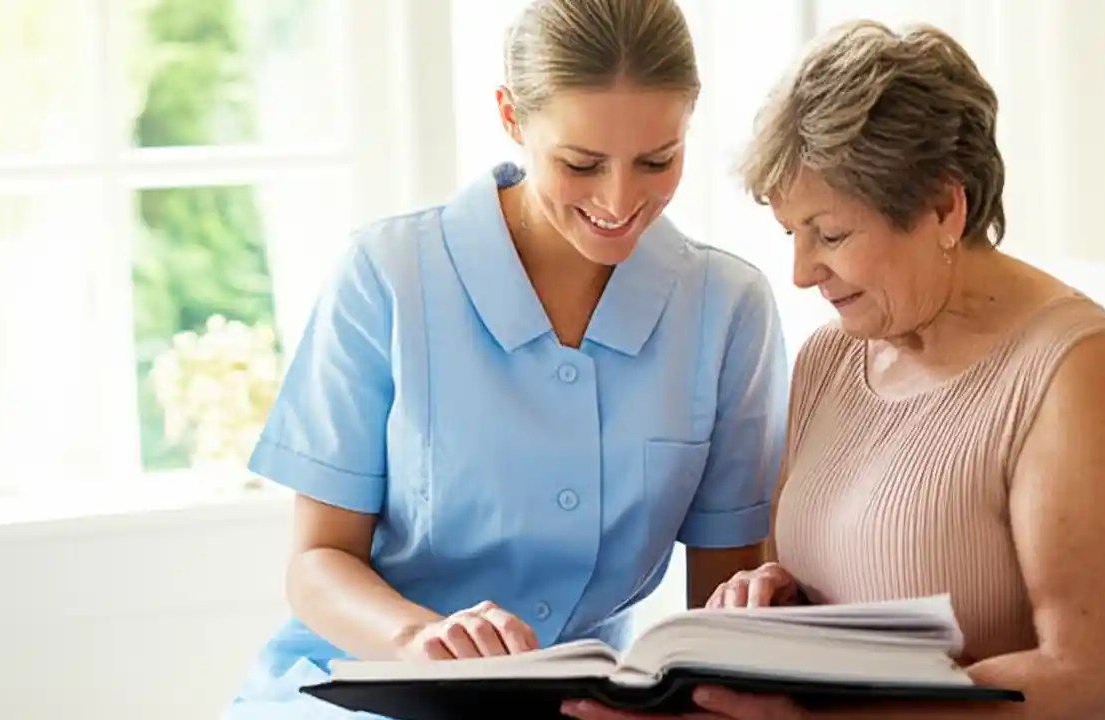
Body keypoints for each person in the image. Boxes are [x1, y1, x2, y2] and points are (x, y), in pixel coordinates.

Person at [563, 18, 1105, 720]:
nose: (799, 273)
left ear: (945, 206)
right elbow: (846, 590)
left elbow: (1091, 680)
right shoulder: (831, 357)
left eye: (831, 235)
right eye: (792, 234)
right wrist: (770, 598)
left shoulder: (1075, 373)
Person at [224, 0, 790, 717]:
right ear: (511, 117)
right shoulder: (388, 276)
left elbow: (718, 607)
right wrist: (422, 639)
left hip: (582, 704)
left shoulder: (728, 307)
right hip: (365, 687)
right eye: (581, 163)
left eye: (657, 160)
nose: (620, 201)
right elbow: (316, 562)